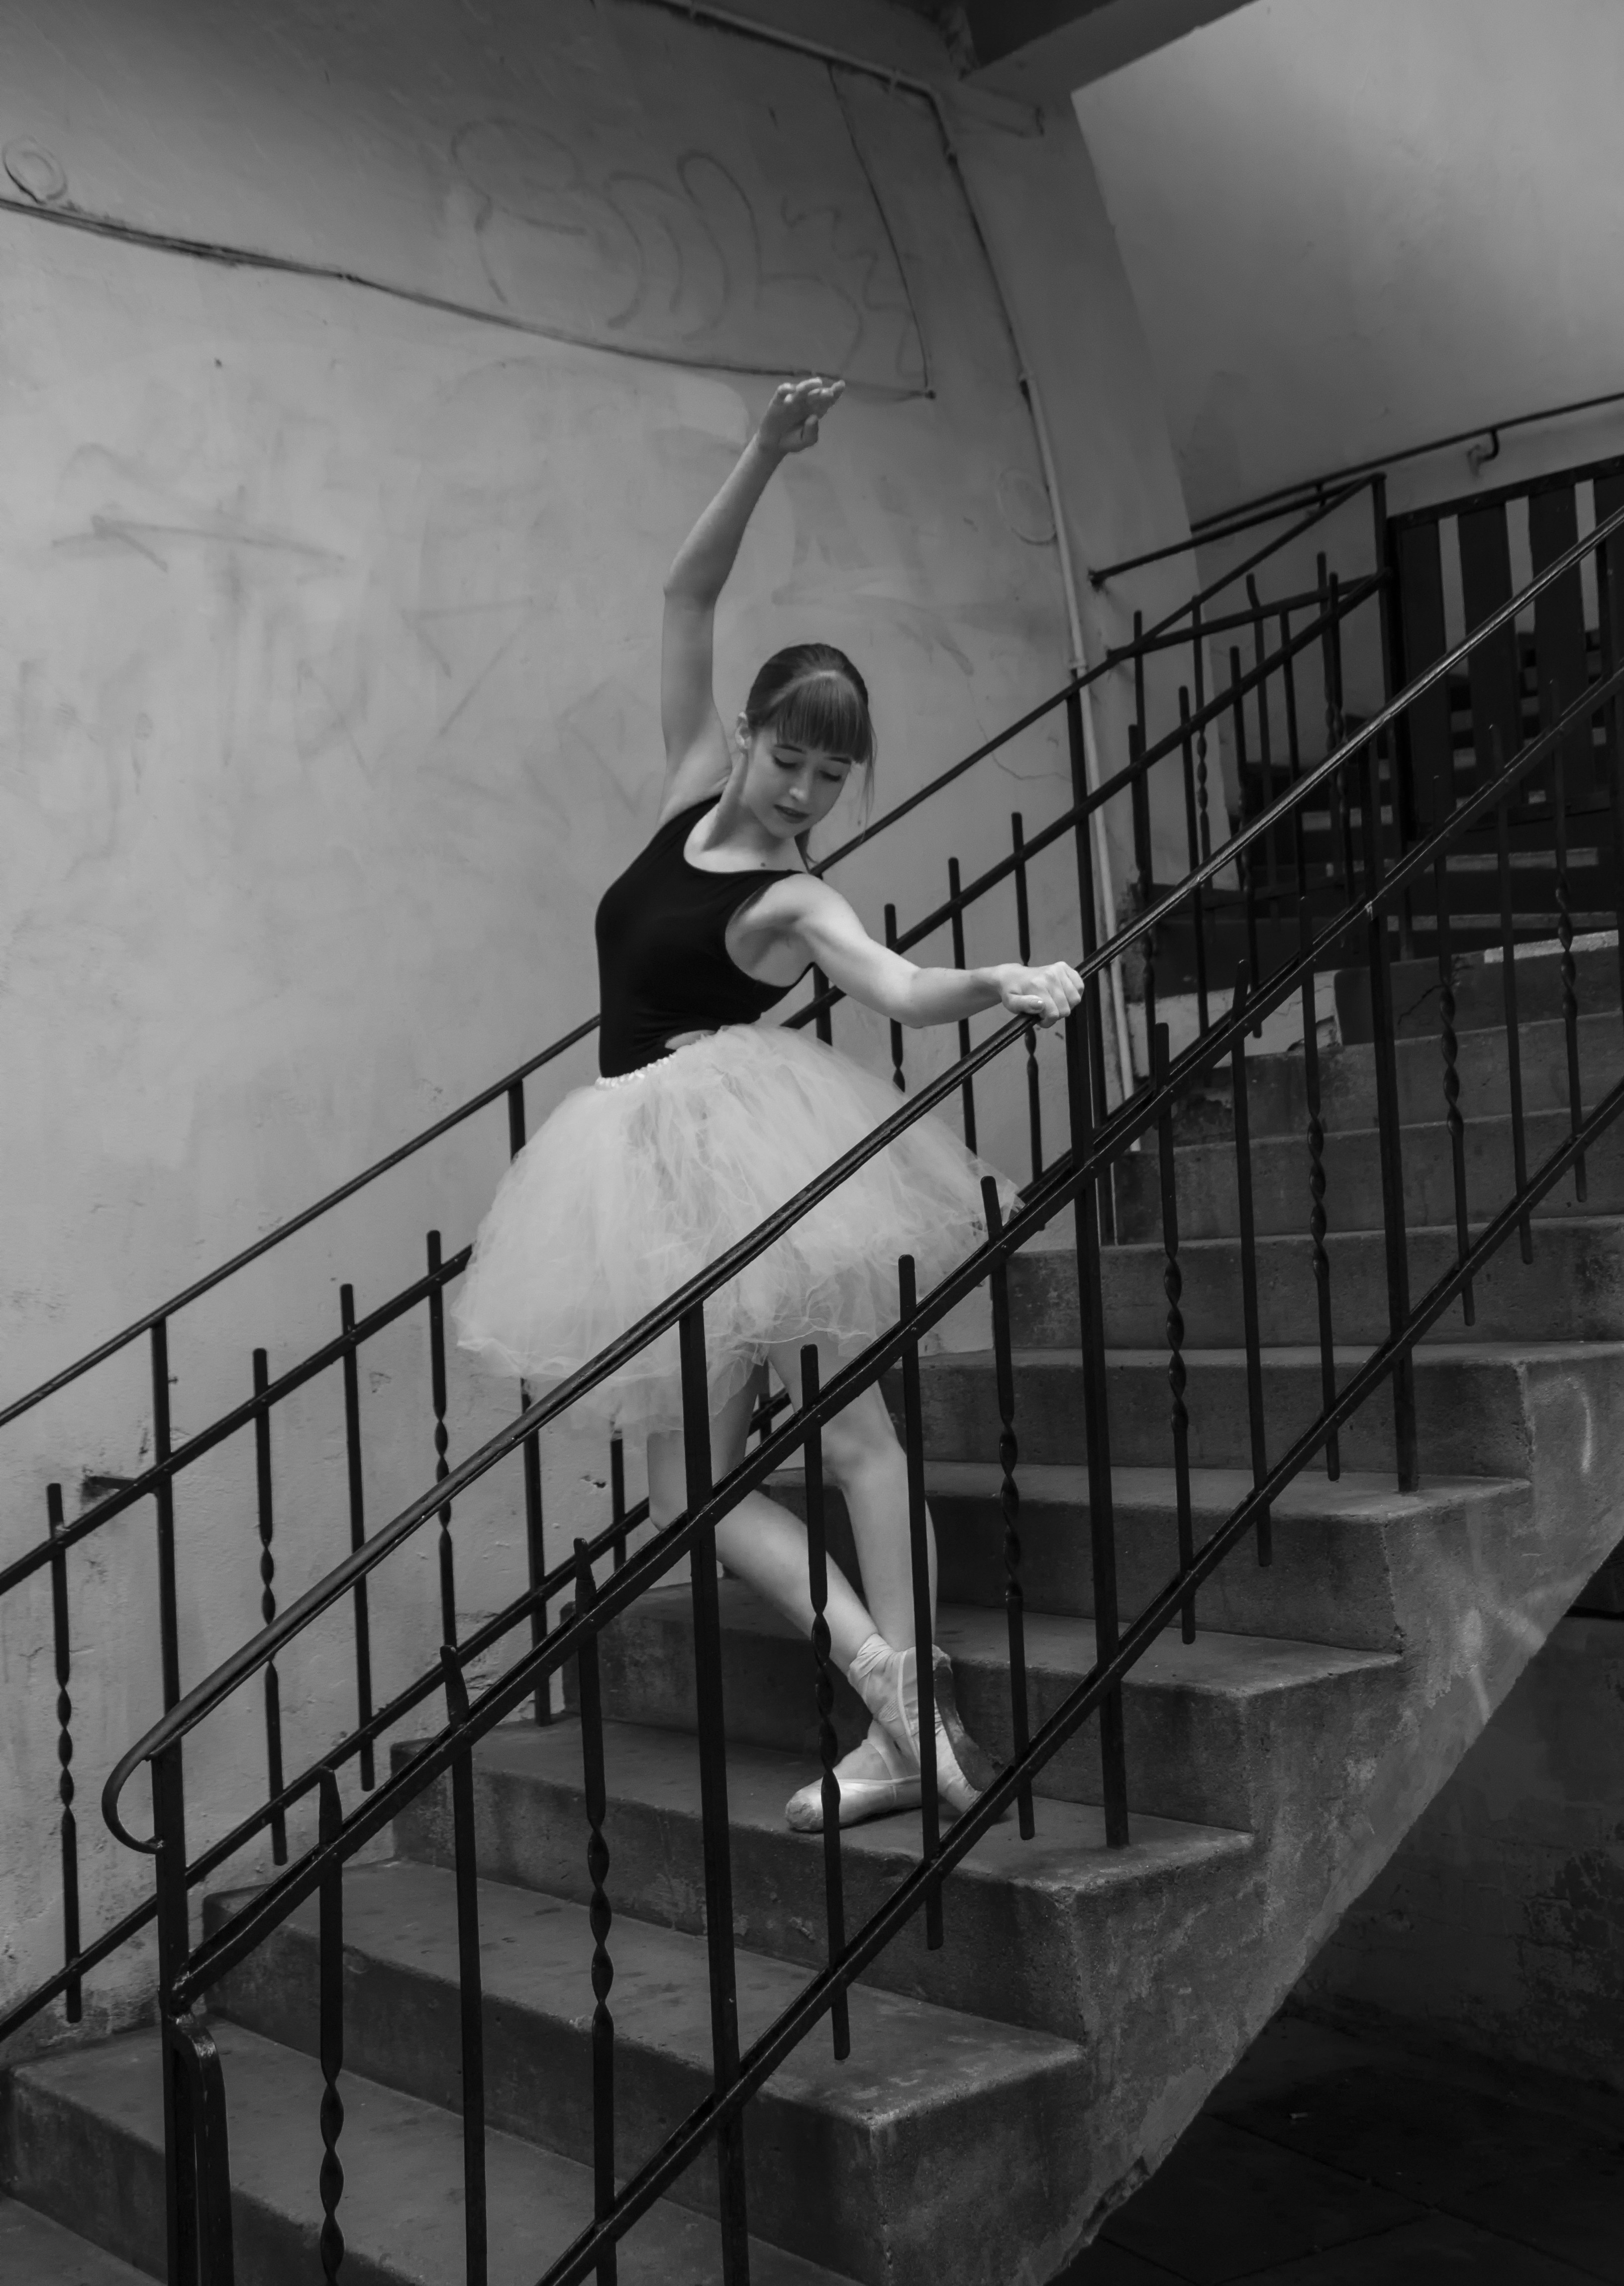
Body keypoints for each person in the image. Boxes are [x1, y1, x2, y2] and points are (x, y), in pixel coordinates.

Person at [456, 375, 1082, 1831]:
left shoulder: (797, 894)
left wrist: (1006, 980)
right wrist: (760, 450)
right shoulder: (687, 789)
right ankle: (897, 1706)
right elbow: (687, 590)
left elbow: (897, 986)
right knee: (696, 1489)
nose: (805, 789)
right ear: (743, 737)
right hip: (650, 1170)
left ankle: (899, 1724)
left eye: (831, 774)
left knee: (856, 1437)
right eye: (790, 757)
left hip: (749, 1160)